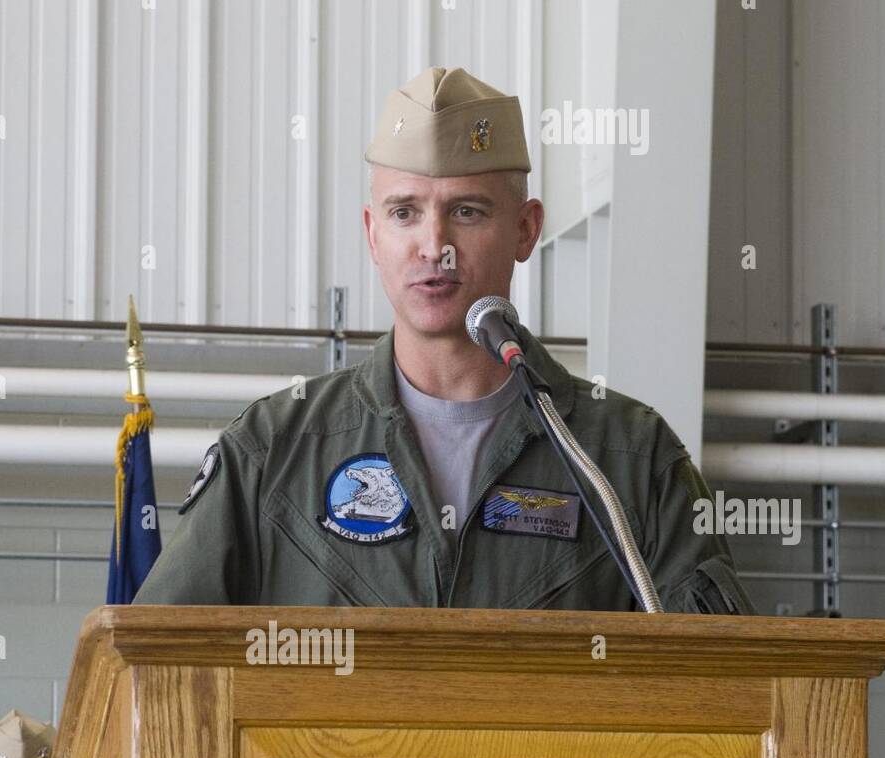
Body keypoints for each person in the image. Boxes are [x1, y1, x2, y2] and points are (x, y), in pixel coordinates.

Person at [135, 65, 753, 615]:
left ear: (525, 228)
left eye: (468, 211)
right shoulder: (273, 452)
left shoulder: (628, 459)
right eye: (405, 213)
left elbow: (728, 691)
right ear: (373, 234)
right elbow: (152, 668)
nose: (436, 246)